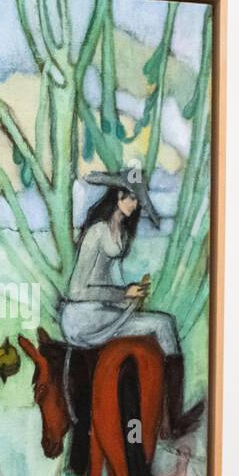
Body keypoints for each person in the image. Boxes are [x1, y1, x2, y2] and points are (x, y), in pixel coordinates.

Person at [59, 167, 202, 438]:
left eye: (136, 200)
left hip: (101, 310)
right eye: (130, 198)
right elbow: (77, 290)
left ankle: (168, 414)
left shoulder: (120, 233)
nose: (134, 205)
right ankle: (174, 418)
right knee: (164, 325)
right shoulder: (96, 232)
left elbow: (110, 281)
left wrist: (131, 294)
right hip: (81, 316)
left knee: (160, 323)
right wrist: (123, 294)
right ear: (117, 196)